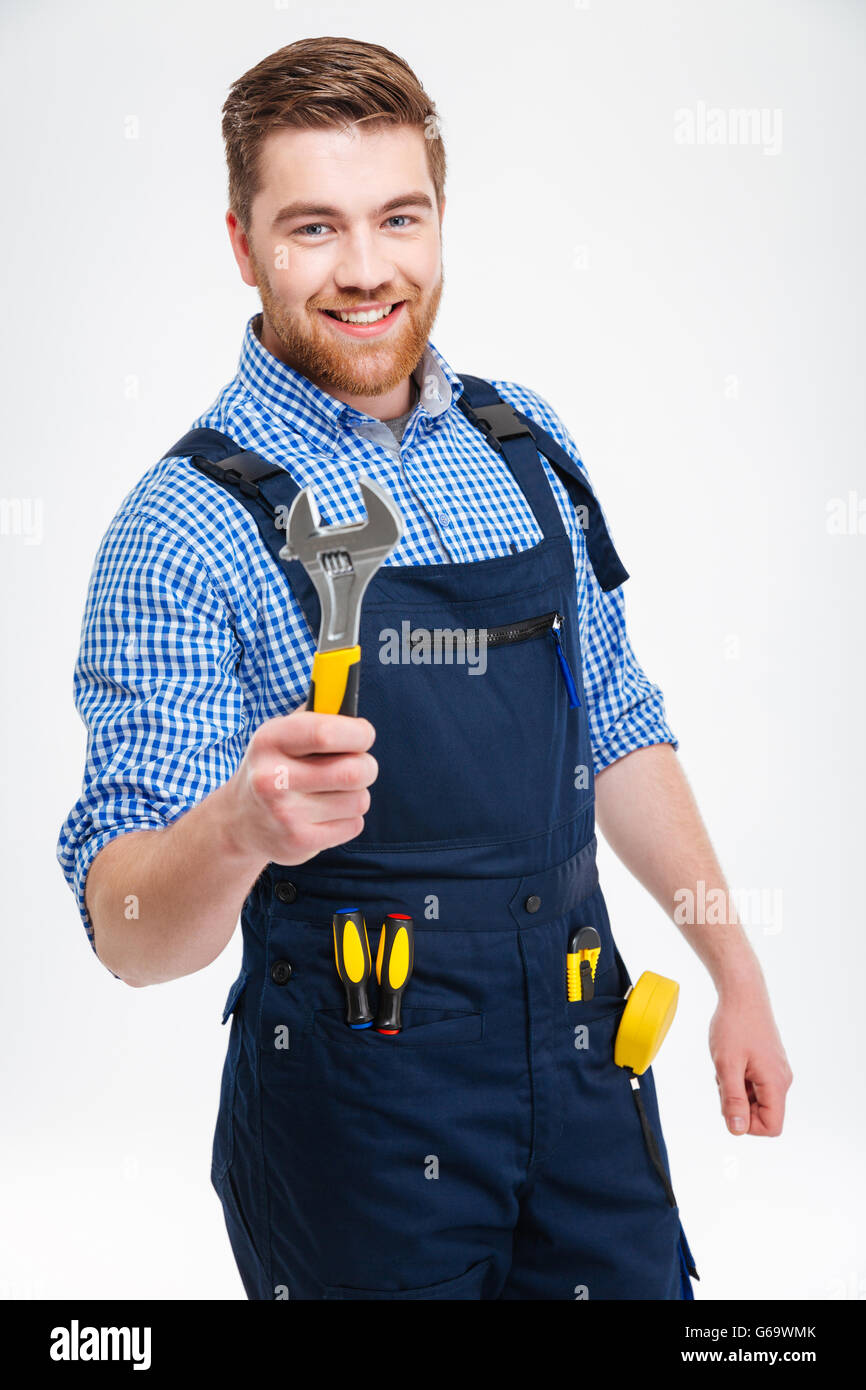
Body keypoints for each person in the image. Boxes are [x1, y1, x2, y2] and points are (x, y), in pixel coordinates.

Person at [57, 36, 792, 1301]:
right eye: (311, 228)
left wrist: (737, 973)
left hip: (581, 1075)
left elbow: (614, 726)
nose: (362, 269)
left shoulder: (525, 442)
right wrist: (241, 824)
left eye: (398, 217)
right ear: (242, 245)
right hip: (355, 1115)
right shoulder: (183, 527)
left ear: (439, 219)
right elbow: (127, 932)